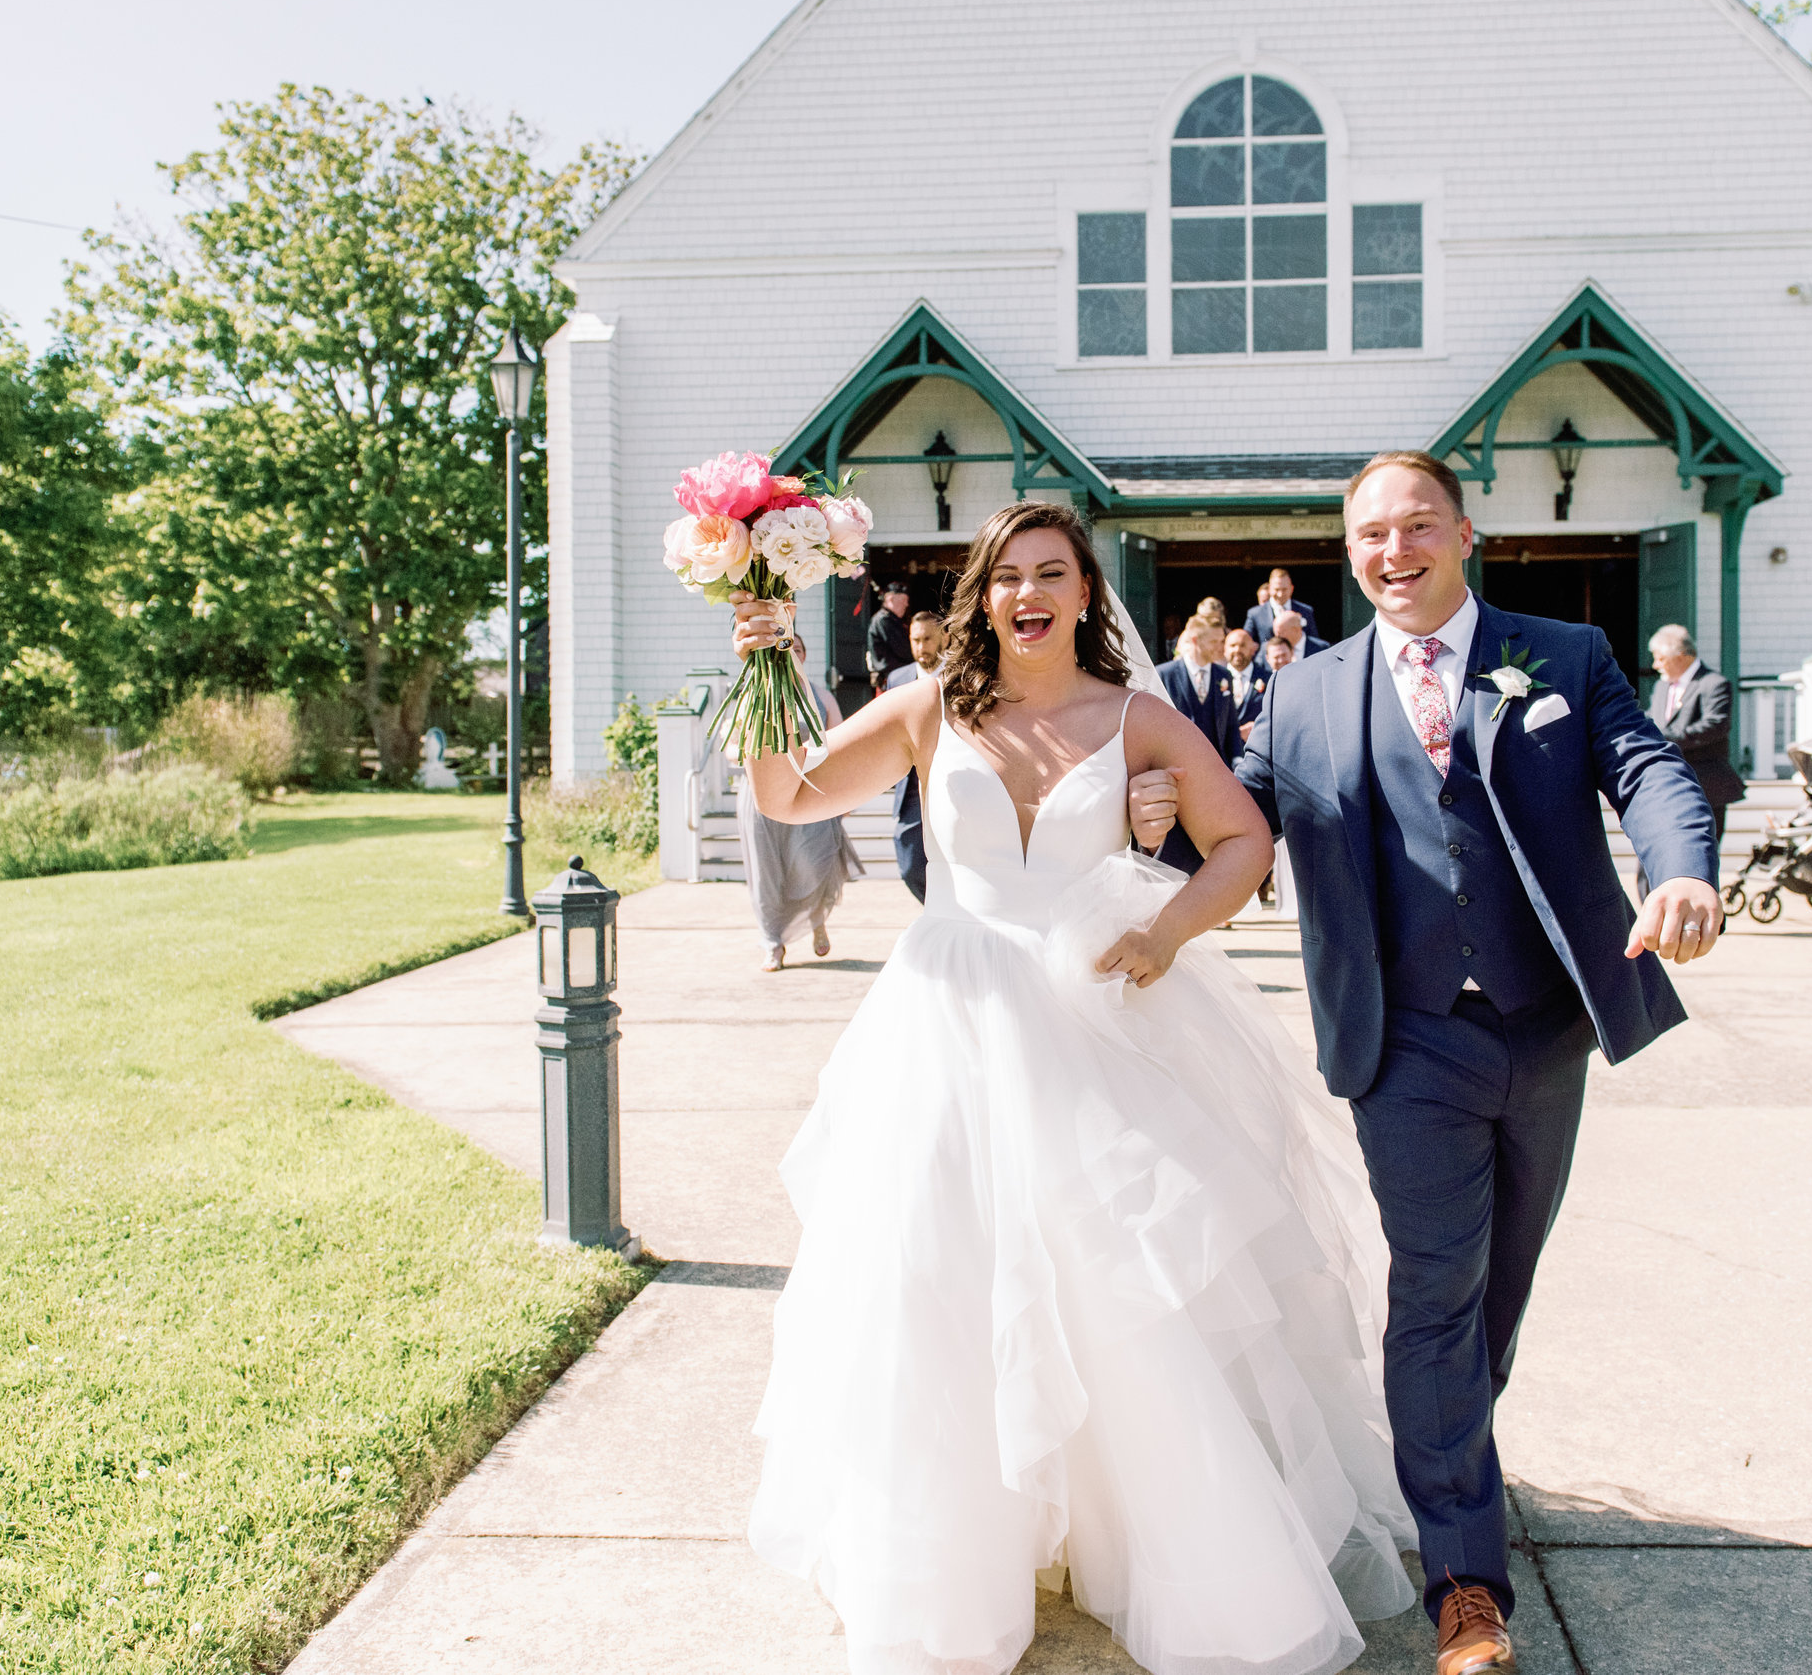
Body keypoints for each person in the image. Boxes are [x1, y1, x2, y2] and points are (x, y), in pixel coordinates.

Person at [729, 502, 1418, 1675]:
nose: (1029, 593)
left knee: (1123, 1292)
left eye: (1053, 572)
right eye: (1007, 576)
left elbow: (1244, 840)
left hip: (1098, 1021)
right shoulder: (927, 708)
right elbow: (791, 795)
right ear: (981, 596)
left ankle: (1146, 1539)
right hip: (946, 1025)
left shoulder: (1139, 718)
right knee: (938, 1281)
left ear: (1088, 593)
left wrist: (1166, 930)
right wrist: (757, 666)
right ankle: (953, 1561)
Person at [1140, 450, 1722, 1675]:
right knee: (1438, 1289)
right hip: (1404, 1042)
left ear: (1467, 534)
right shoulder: (1299, 697)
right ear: (1346, 552)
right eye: (1368, 534)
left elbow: (1646, 767)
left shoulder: (1562, 655)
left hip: (1549, 1024)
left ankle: (1450, 1454)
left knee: (1497, 1292)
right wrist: (1138, 814)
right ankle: (1468, 1583)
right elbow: (1232, 814)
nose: (1392, 551)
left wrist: (1681, 865)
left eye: (1416, 525)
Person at [741, 636, 865, 971]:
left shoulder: (820, 697)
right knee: (765, 870)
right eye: (783, 649)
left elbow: (839, 741)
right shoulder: (755, 695)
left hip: (810, 791)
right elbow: (734, 744)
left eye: (796, 649)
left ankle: (816, 918)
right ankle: (772, 944)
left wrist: (844, 793)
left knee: (811, 861)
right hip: (761, 795)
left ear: (805, 656)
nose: (790, 654)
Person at [1645, 624, 1744, 845]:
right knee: (1654, 848)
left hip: (1705, 783)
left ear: (1680, 656)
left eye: (1660, 658)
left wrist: (1664, 737)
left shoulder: (1714, 684)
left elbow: (1715, 725)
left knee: (1702, 849)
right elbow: (1652, 720)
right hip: (1663, 781)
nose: (1655, 665)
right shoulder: (1661, 687)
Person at [883, 613, 947, 901]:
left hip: (951, 781)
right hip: (910, 787)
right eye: (915, 641)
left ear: (944, 637)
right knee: (909, 864)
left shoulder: (962, 674)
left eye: (927, 639)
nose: (921, 648)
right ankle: (933, 907)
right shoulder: (897, 679)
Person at [1159, 615, 1240, 765]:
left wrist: (1237, 759)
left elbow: (1231, 724)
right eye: (1213, 642)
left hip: (1218, 766)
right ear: (1196, 641)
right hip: (1178, 766)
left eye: (1222, 641)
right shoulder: (1164, 675)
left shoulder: (1224, 675)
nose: (1220, 647)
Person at [1244, 566, 1320, 650]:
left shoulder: (1306, 611)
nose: (1280, 594)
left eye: (1284, 589)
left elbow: (1314, 641)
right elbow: (1246, 642)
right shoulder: (1255, 613)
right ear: (1269, 588)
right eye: (1276, 589)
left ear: (1291, 589)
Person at [1223, 625, 1268, 748]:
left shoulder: (1268, 678)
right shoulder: (1215, 679)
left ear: (1253, 649)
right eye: (1232, 646)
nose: (1237, 649)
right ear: (1224, 649)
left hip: (1259, 748)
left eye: (1243, 645)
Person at [866, 582, 915, 686]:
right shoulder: (883, 620)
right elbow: (903, 649)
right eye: (903, 600)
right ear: (890, 599)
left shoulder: (893, 620)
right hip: (891, 679)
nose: (906, 604)